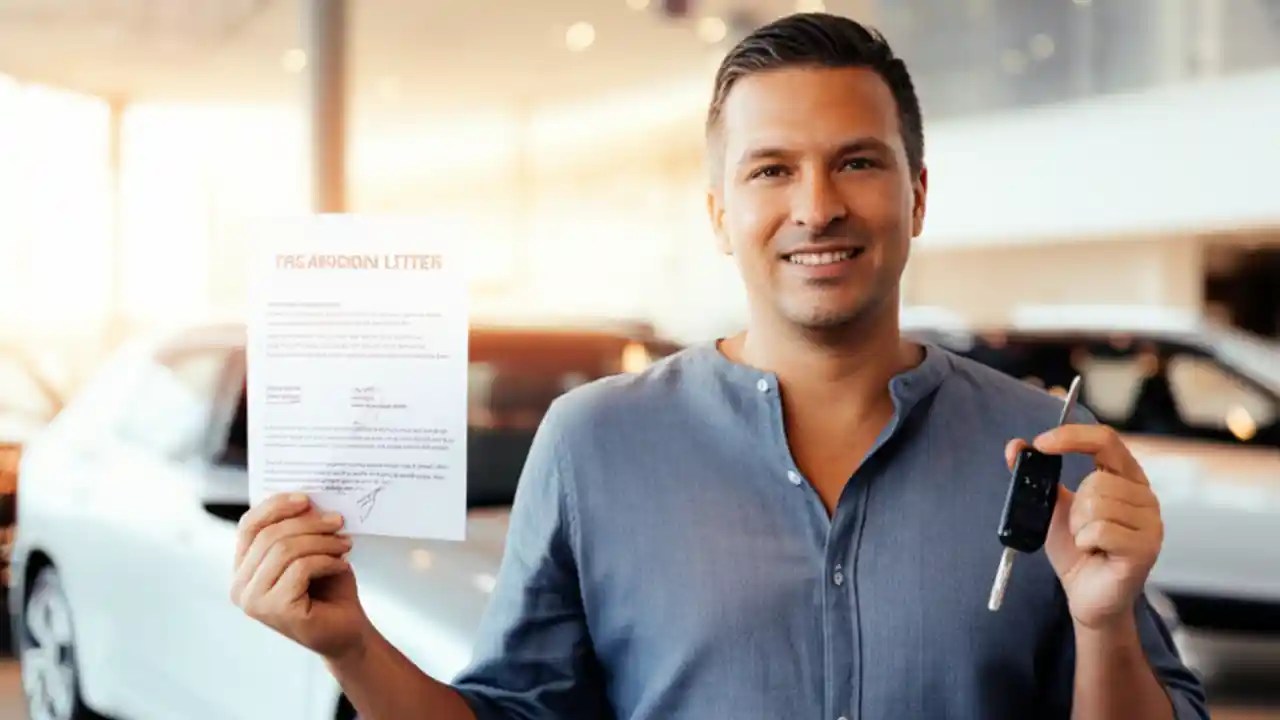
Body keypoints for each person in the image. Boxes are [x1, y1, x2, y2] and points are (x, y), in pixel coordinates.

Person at [231, 13, 1208, 719]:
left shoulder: (1050, 449)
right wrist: (351, 647)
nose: (816, 207)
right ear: (718, 214)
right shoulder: (595, 443)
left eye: (857, 162)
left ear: (916, 195)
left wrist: (1102, 626)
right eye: (771, 169)